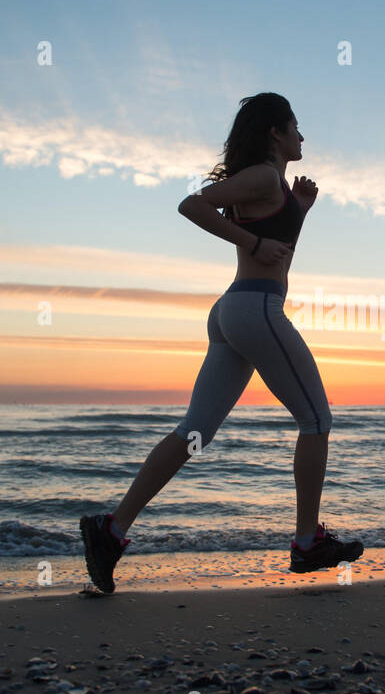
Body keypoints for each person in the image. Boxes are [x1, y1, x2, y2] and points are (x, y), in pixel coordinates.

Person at [80, 93, 364, 592]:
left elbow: (278, 250)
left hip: (234, 312)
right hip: (254, 309)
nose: (302, 136)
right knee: (317, 420)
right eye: (296, 126)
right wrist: (252, 241)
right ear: (275, 132)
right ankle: (306, 544)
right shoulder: (261, 176)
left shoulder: (273, 186)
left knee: (195, 433)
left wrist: (299, 210)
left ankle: (111, 530)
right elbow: (191, 204)